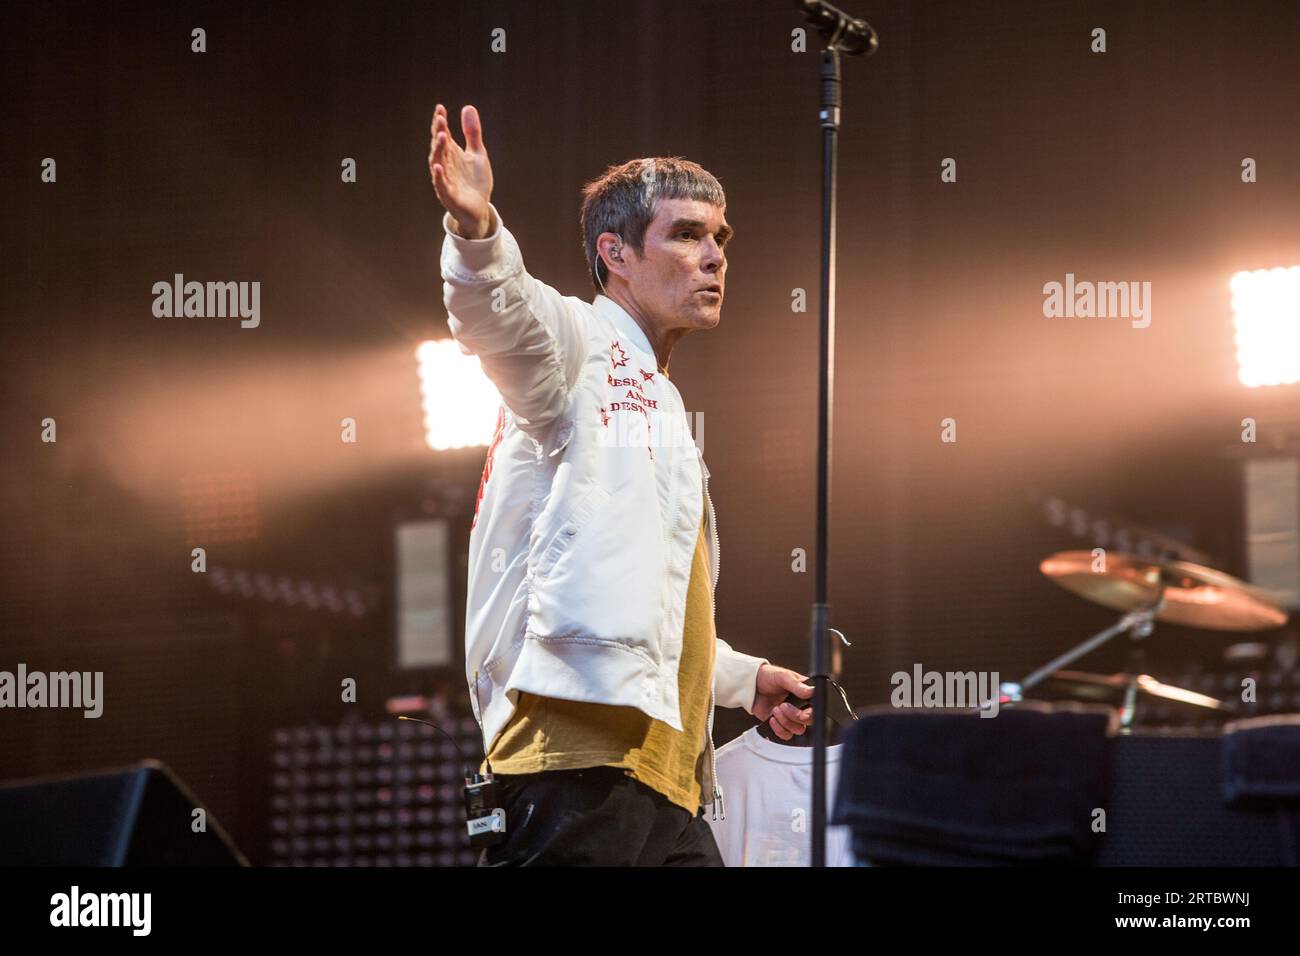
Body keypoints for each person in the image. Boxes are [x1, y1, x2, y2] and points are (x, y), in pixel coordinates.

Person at [429, 103, 814, 866]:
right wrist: (476, 232)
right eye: (686, 233)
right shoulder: (581, 342)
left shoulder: (659, 395)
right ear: (616, 253)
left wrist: (741, 678)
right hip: (578, 755)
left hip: (669, 775)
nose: (714, 256)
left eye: (720, 238)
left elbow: (649, 599)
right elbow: (503, 315)